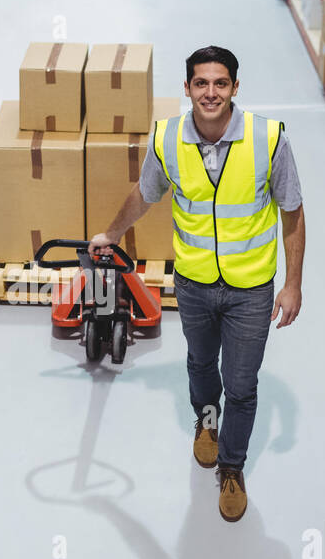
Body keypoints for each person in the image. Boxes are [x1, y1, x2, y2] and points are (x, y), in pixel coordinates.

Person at [88, 45, 306, 523]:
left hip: (251, 289)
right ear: (186, 88)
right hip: (193, 283)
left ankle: (231, 467)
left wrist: (293, 285)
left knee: (242, 384)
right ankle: (206, 422)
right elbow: (145, 193)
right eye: (201, 83)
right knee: (201, 364)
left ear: (235, 88)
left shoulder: (269, 139)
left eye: (221, 83)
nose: (211, 93)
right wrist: (112, 233)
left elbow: (291, 211)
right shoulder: (166, 138)